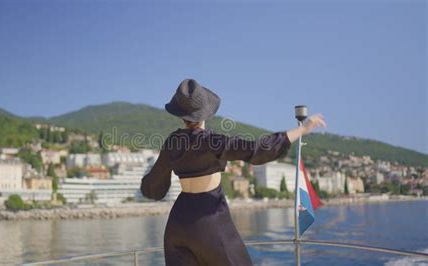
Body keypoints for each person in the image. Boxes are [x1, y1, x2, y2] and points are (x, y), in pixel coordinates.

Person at [140, 79, 326, 266]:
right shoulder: (212, 141)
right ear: (204, 114)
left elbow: (152, 187)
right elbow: (258, 149)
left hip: (177, 226)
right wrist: (303, 129)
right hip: (209, 220)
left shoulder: (172, 142)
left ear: (181, 115)